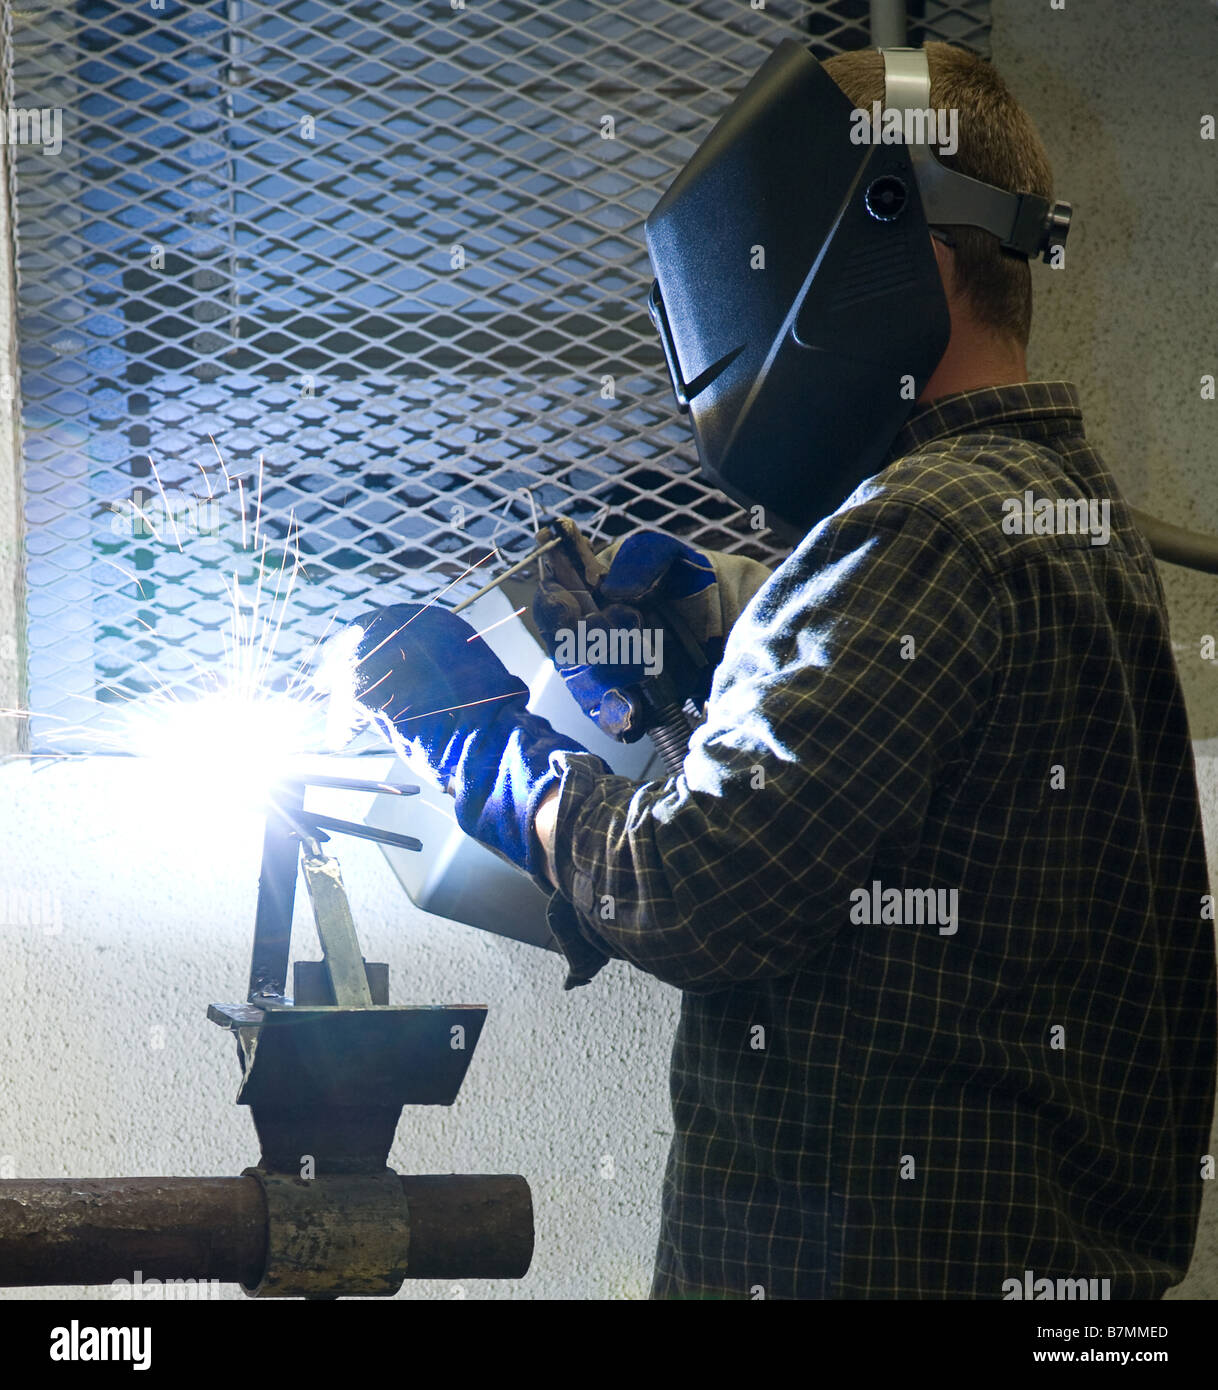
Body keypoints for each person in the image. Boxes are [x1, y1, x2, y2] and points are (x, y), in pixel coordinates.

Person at [341, 41, 1217, 1299]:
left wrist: (490, 752)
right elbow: (874, 852)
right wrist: (717, 665)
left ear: (892, 237)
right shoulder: (1064, 516)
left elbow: (696, 889)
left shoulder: (922, 528)